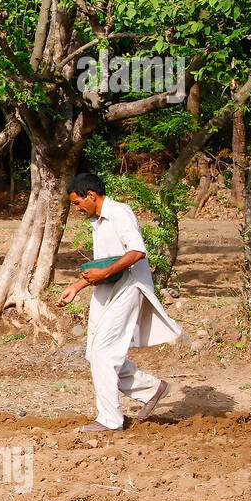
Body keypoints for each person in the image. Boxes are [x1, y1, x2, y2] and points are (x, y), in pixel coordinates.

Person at [55, 172, 181, 433]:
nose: (77, 209)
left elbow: (136, 251)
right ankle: (152, 388)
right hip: (108, 289)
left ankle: (110, 421)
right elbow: (104, 264)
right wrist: (77, 286)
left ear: (91, 195)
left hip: (129, 287)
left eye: (77, 203)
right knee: (94, 353)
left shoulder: (120, 213)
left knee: (103, 353)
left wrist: (104, 273)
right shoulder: (97, 222)